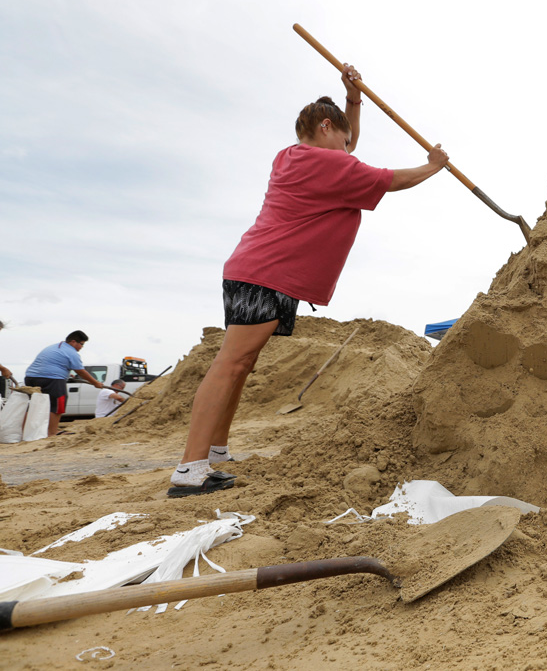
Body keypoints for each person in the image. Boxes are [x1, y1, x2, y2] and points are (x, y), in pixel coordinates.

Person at [168, 64, 449, 498]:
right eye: (344, 138)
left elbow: (347, 147)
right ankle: (189, 469)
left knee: (242, 364)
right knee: (231, 362)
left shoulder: (293, 156)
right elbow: (391, 180)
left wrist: (352, 100)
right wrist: (433, 166)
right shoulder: (325, 164)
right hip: (264, 273)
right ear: (325, 127)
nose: (349, 147)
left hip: (261, 271)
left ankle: (215, 454)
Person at [24, 330, 105, 437]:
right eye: (81, 344)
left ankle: (24, 431)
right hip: (52, 379)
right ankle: (52, 432)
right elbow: (80, 371)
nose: (81, 347)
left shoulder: (54, 347)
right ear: (73, 342)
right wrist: (95, 383)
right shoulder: (72, 352)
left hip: (31, 378)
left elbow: (51, 363)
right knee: (58, 405)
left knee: (33, 405)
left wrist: (66, 374)